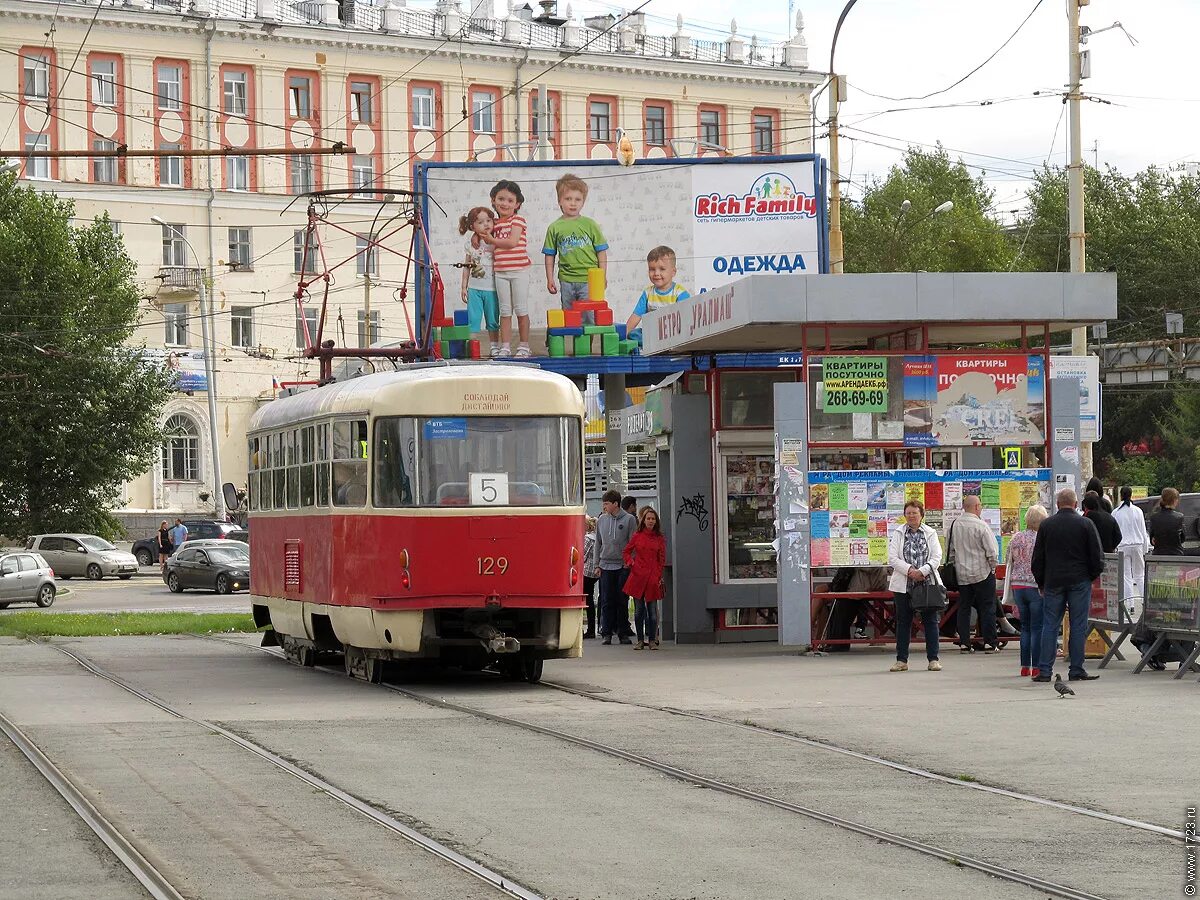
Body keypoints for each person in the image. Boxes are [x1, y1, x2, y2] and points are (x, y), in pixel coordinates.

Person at [1031, 488, 1105, 683]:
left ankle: (1045, 671)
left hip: (1053, 581)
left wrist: (1041, 582)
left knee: (1050, 625)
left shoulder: (1046, 525)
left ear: (1057, 504)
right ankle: (1076, 669)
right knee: (1078, 625)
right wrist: (1090, 576)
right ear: (1075, 504)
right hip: (1079, 581)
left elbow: (1038, 558)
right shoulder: (1086, 524)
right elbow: (1097, 556)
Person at [887, 500, 944, 672]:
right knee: (904, 622)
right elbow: (892, 558)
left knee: (930, 621)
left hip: (926, 583)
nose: (911, 516)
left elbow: (937, 556)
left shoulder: (930, 532)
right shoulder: (898, 533)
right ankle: (901, 660)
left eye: (915, 513)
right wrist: (909, 570)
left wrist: (923, 571)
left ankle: (933, 659)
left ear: (921, 515)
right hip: (904, 584)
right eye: (908, 513)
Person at [543, 173, 608, 321]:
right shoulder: (554, 227)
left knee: (588, 318)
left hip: (589, 279)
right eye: (568, 199)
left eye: (577, 199)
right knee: (570, 318)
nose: (573, 203)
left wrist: (602, 276)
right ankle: (573, 344)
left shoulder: (590, 225)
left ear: (583, 202)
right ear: (559, 201)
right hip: (566, 279)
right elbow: (549, 255)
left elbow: (601, 252)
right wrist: (549, 278)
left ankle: (587, 345)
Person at [479, 179, 533, 358]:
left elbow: (512, 242)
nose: (505, 203)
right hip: (501, 272)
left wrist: (491, 240)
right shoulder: (493, 223)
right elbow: (487, 241)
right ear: (493, 200)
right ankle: (506, 346)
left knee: (521, 309)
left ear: (517, 204)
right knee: (504, 310)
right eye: (501, 199)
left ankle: (524, 346)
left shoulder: (518, 220)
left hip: (519, 271)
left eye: (510, 200)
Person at [951, 494, 1000, 653]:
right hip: (982, 572)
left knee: (964, 607)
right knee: (987, 607)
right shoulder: (981, 526)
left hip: (962, 574)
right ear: (977, 507)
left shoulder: (954, 525)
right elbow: (992, 552)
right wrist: (992, 568)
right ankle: (989, 642)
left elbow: (951, 552)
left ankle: (964, 643)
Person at [1003, 504, 1047, 677]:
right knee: (1037, 627)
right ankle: (1036, 666)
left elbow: (1008, 559)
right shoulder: (1041, 538)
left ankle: (1024, 666)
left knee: (1025, 627)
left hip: (1018, 586)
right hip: (1035, 586)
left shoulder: (1016, 537)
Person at [457, 206, 501, 355]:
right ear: (472, 226)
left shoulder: (496, 241)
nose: (486, 224)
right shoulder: (471, 244)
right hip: (474, 289)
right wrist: (464, 287)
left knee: (493, 319)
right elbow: (467, 266)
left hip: (492, 288)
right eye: (481, 222)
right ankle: (472, 347)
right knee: (473, 320)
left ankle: (494, 346)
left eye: (489, 220)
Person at [623, 506, 667, 650]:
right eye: (648, 518)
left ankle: (652, 640)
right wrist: (631, 563)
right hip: (637, 576)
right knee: (638, 611)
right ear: (644, 520)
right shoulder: (637, 535)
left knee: (653, 612)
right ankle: (640, 640)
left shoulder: (659, 538)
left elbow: (661, 559)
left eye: (653, 519)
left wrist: (658, 575)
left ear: (656, 521)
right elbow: (626, 552)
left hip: (652, 578)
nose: (650, 521)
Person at [624, 246, 691, 342]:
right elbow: (635, 316)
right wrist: (623, 335)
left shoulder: (680, 293)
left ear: (673, 272)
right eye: (652, 269)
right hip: (651, 333)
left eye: (662, 269)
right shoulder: (647, 293)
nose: (656, 273)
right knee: (634, 334)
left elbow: (686, 319)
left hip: (672, 334)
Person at [595, 489, 635, 644]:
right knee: (606, 600)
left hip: (622, 565)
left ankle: (623, 632)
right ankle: (606, 633)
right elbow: (598, 542)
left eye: (606, 503)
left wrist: (629, 562)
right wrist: (597, 564)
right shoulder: (601, 520)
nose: (604, 506)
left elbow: (632, 542)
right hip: (605, 564)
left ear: (615, 504)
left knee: (622, 600)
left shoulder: (629, 519)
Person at [1112, 486, 1151, 607]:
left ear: (1121, 495)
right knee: (1140, 574)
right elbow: (1143, 530)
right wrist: (1145, 548)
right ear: (1131, 495)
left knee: (1126, 576)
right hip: (1137, 545)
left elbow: (1115, 533)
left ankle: (1130, 604)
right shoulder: (1137, 511)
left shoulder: (1116, 512)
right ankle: (1145, 600)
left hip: (1123, 546)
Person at [1148, 487, 1186, 556]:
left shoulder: (1154, 517)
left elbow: (1152, 540)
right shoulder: (1179, 517)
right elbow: (1183, 538)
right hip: (1176, 554)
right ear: (1174, 500)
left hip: (1159, 555)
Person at [582, 516, 599, 639]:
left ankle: (591, 630)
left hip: (587, 572)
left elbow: (583, 555)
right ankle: (592, 628)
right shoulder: (597, 538)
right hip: (595, 572)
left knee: (587, 601)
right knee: (590, 600)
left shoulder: (587, 539)